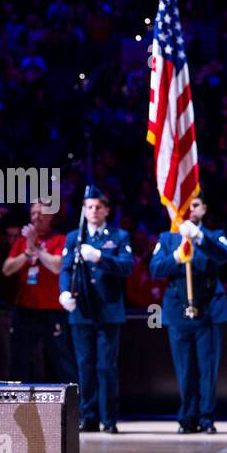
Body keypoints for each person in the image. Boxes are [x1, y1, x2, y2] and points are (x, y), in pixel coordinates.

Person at [148, 195, 227, 434]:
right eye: (185, 205)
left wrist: (199, 238)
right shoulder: (167, 238)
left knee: (207, 367)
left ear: (204, 209)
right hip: (178, 310)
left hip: (208, 309)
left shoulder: (215, 236)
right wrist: (175, 257)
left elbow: (222, 256)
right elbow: (155, 268)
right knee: (185, 368)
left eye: (195, 204)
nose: (190, 209)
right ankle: (187, 417)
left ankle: (206, 417)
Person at [59, 185, 133, 433]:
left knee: (106, 366)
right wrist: (64, 292)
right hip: (82, 310)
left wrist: (101, 257)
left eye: (98, 207)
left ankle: (109, 418)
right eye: (89, 207)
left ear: (106, 210)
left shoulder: (118, 236)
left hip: (108, 310)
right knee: (85, 366)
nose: (93, 211)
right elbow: (66, 268)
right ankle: (87, 416)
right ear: (83, 210)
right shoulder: (75, 237)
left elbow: (126, 267)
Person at [2, 201, 75, 384]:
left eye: (41, 213)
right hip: (25, 309)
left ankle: (73, 406)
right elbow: (7, 269)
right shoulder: (21, 242)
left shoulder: (59, 240)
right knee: (19, 360)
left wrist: (36, 248)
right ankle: (20, 407)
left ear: (51, 216)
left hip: (52, 310)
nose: (36, 217)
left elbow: (57, 266)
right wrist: (27, 252)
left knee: (61, 360)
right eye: (33, 213)